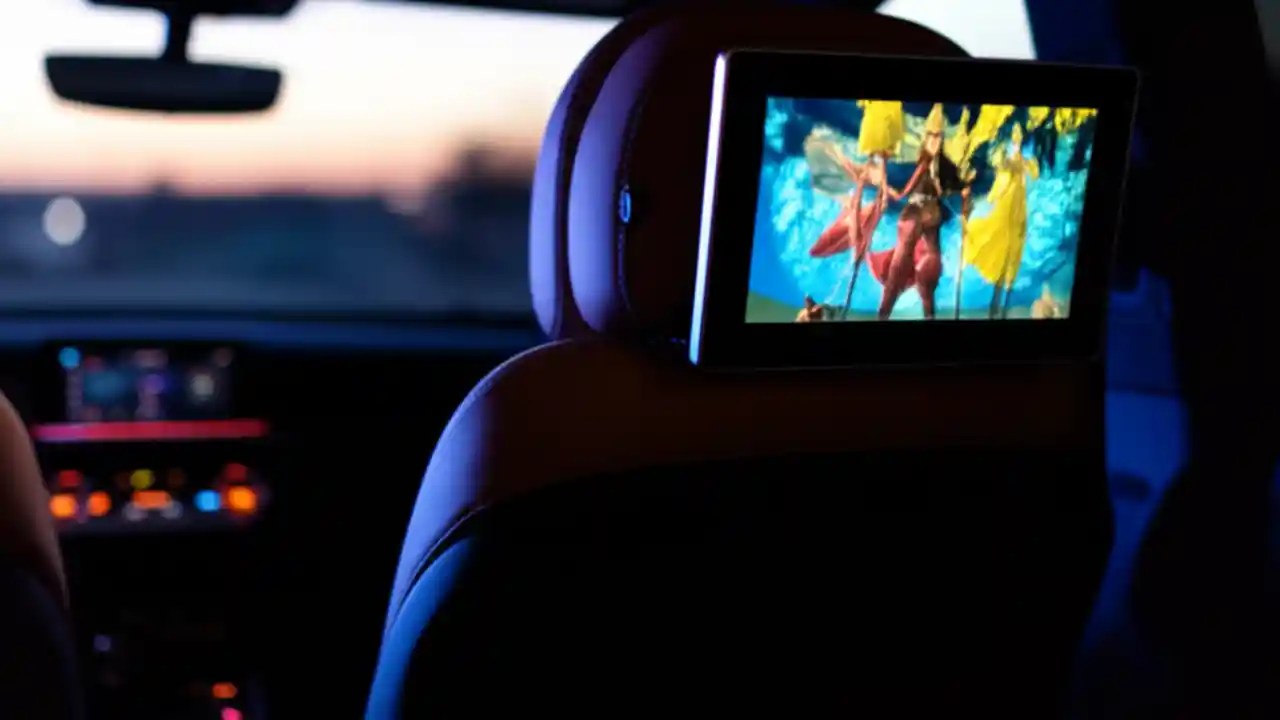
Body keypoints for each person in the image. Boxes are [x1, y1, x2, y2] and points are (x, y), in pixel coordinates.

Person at [874, 103, 971, 319]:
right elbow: (906, 190)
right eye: (931, 136)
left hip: (932, 216)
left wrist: (965, 195)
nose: (935, 141)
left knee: (930, 269)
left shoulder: (946, 165)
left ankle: (929, 314)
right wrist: (887, 183)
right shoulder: (922, 162)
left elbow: (959, 185)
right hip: (915, 211)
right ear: (926, 138)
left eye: (938, 136)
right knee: (900, 265)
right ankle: (884, 313)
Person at [963, 122, 1039, 318]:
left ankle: (1002, 310)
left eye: (1018, 140)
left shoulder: (1023, 163)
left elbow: (1034, 173)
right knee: (1000, 259)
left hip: (1018, 218)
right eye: (1013, 141)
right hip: (1003, 218)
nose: (1016, 144)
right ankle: (994, 308)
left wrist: (1023, 162)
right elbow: (997, 188)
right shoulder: (1005, 166)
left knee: (1013, 260)